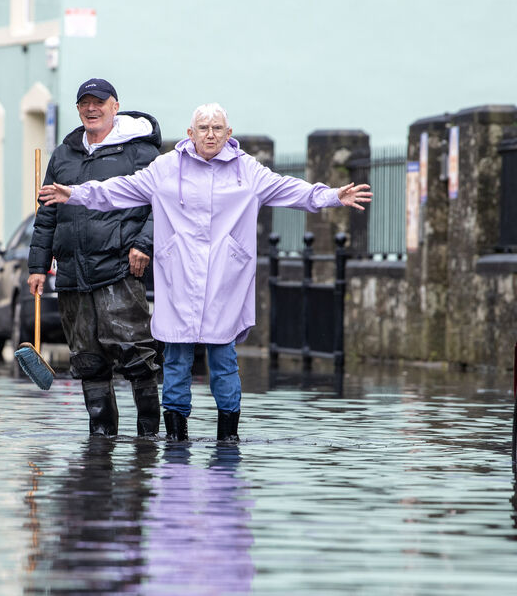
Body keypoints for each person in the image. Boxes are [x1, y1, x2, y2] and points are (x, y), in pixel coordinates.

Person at [39, 103, 372, 442]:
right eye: (203, 128)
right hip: (179, 275)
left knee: (223, 358)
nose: (210, 134)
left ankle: (228, 436)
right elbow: (119, 190)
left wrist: (331, 196)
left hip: (225, 279)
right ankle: (175, 436)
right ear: (190, 133)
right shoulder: (166, 168)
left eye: (217, 128)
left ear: (229, 135)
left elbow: (289, 189)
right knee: (177, 359)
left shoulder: (248, 171)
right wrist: (75, 194)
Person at [27, 78, 161, 437]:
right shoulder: (64, 154)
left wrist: (143, 244)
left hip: (118, 269)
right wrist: (38, 266)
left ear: (115, 106)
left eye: (99, 102)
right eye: (84, 103)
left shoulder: (138, 151)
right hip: (72, 274)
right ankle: (101, 438)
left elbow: (162, 205)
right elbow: (46, 214)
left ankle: (149, 438)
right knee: (87, 360)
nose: (91, 108)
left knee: (135, 355)